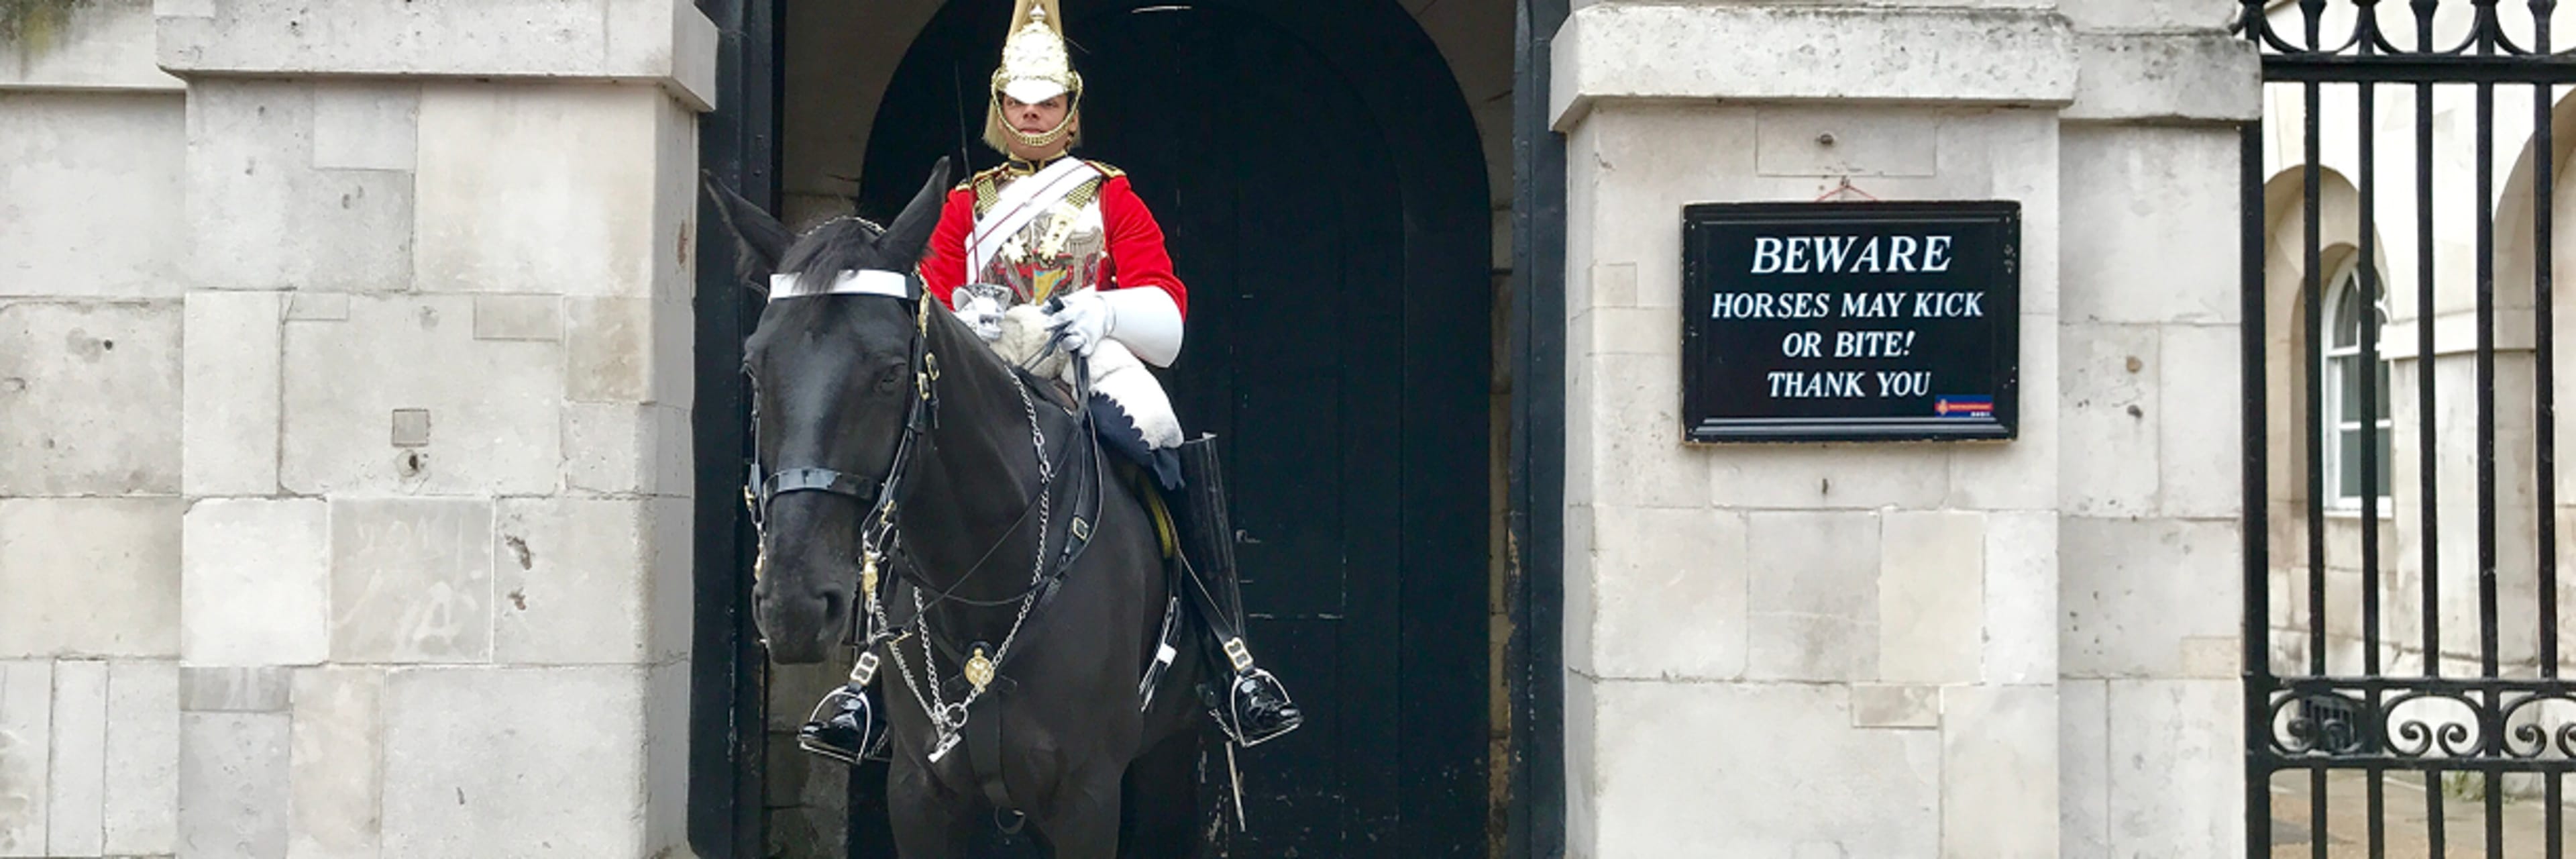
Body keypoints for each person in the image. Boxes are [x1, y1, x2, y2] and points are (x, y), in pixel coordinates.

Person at [798, 0, 1303, 764]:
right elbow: (926, 294)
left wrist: (1096, 312)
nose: (1034, 118)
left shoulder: (1110, 196)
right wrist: (971, 319)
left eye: (1050, 104)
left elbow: (1165, 306)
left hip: (1082, 357)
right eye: (1021, 105)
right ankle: (867, 680)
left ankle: (1229, 653)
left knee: (1159, 439)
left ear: (1071, 108)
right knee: (904, 461)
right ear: (1000, 105)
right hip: (986, 363)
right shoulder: (966, 202)